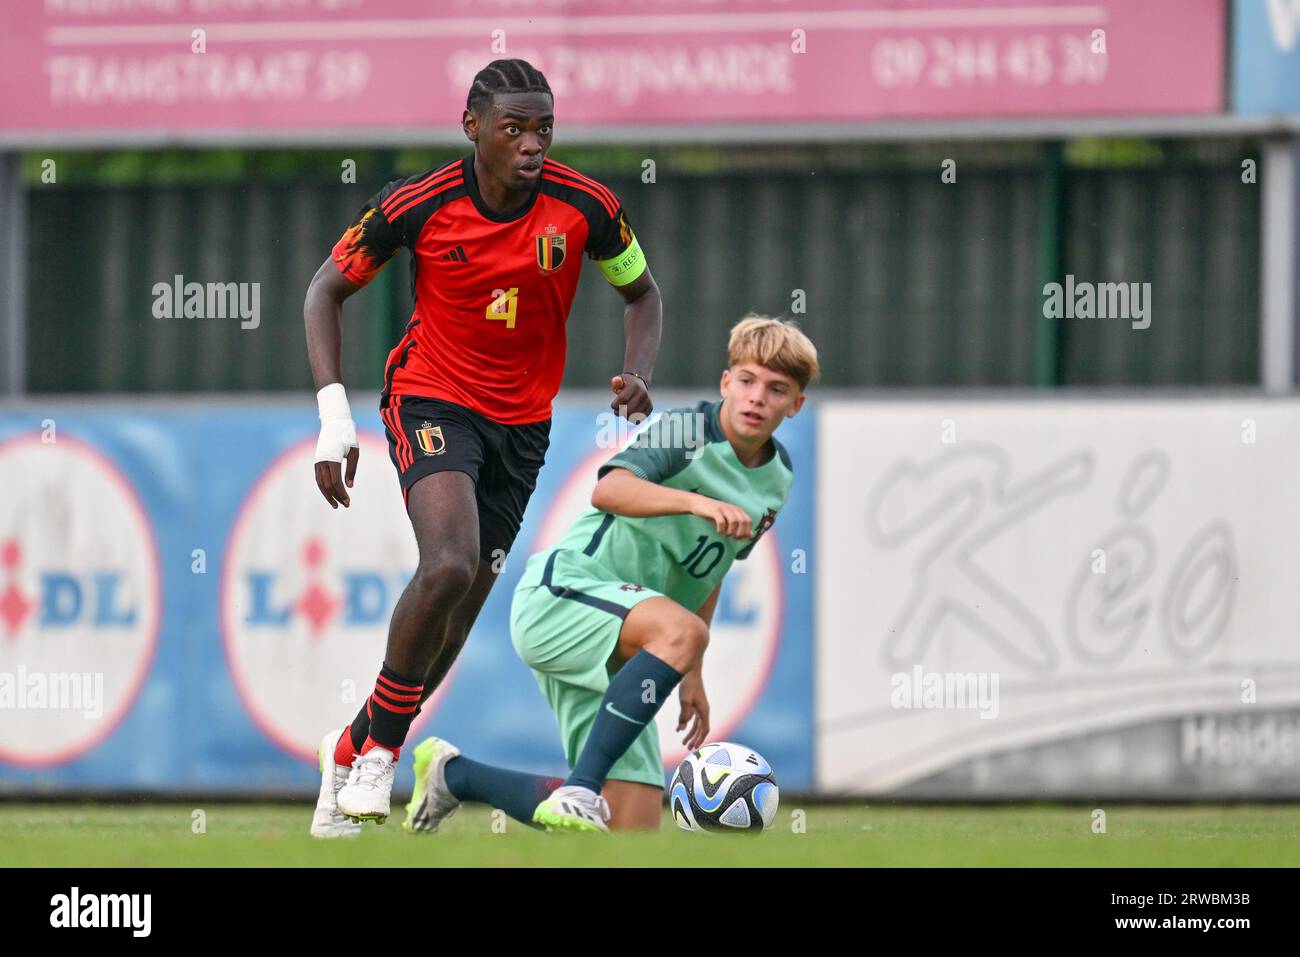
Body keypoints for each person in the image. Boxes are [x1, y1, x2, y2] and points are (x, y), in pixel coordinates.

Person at [304, 59, 662, 837]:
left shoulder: (587, 207)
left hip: (523, 427)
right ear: (474, 129)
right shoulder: (419, 203)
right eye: (514, 128)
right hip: (431, 396)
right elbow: (324, 290)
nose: (532, 144)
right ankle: (383, 755)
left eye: (544, 129)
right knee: (449, 562)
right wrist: (334, 421)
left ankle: (346, 745)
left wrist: (637, 374)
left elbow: (642, 292)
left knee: (456, 619)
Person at [403, 316, 818, 833]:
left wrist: (693, 672)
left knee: (629, 829)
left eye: (777, 389)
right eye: (748, 380)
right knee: (682, 633)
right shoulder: (688, 430)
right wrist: (696, 502)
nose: (758, 397)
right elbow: (610, 490)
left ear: (796, 404)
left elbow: (709, 572)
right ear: (726, 382)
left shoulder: (776, 479)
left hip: (623, 640)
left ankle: (455, 776)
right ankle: (580, 789)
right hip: (566, 594)